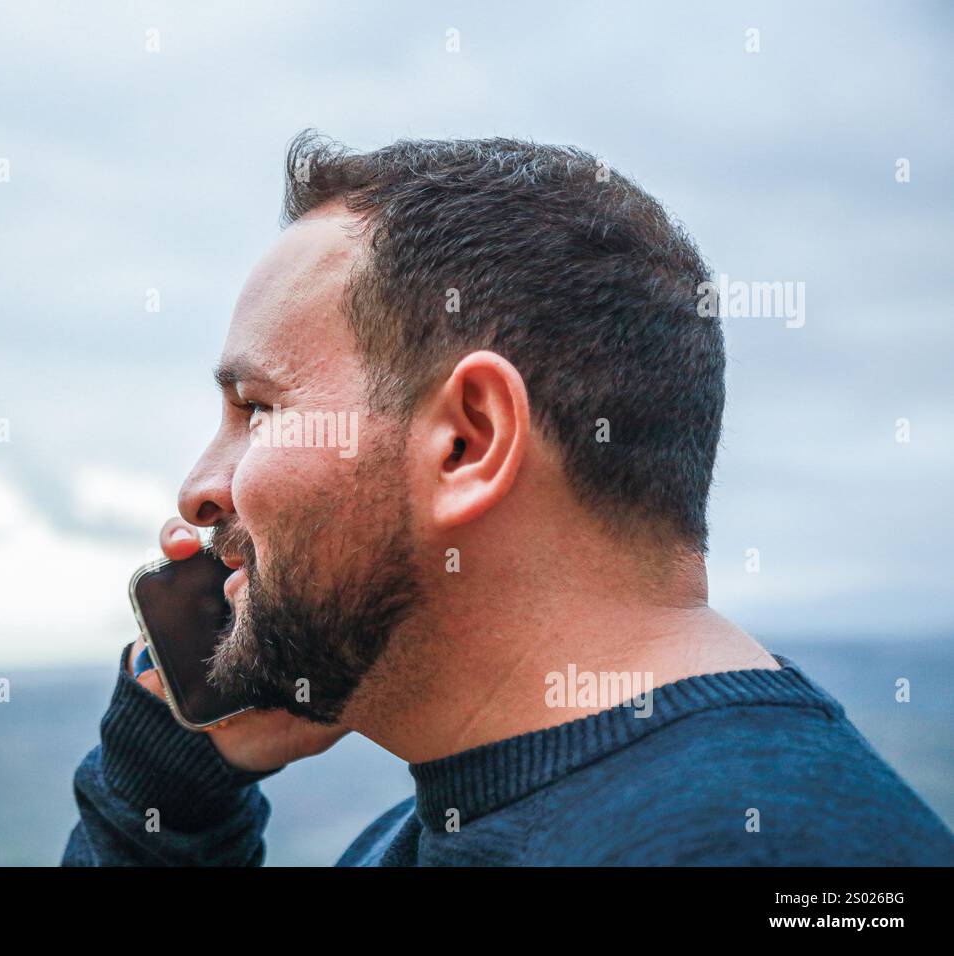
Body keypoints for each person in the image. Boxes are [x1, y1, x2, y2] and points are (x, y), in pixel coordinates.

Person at [62, 131, 954, 866]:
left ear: (468, 442)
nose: (199, 490)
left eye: (258, 408)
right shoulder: (442, 829)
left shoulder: (772, 856)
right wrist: (168, 791)